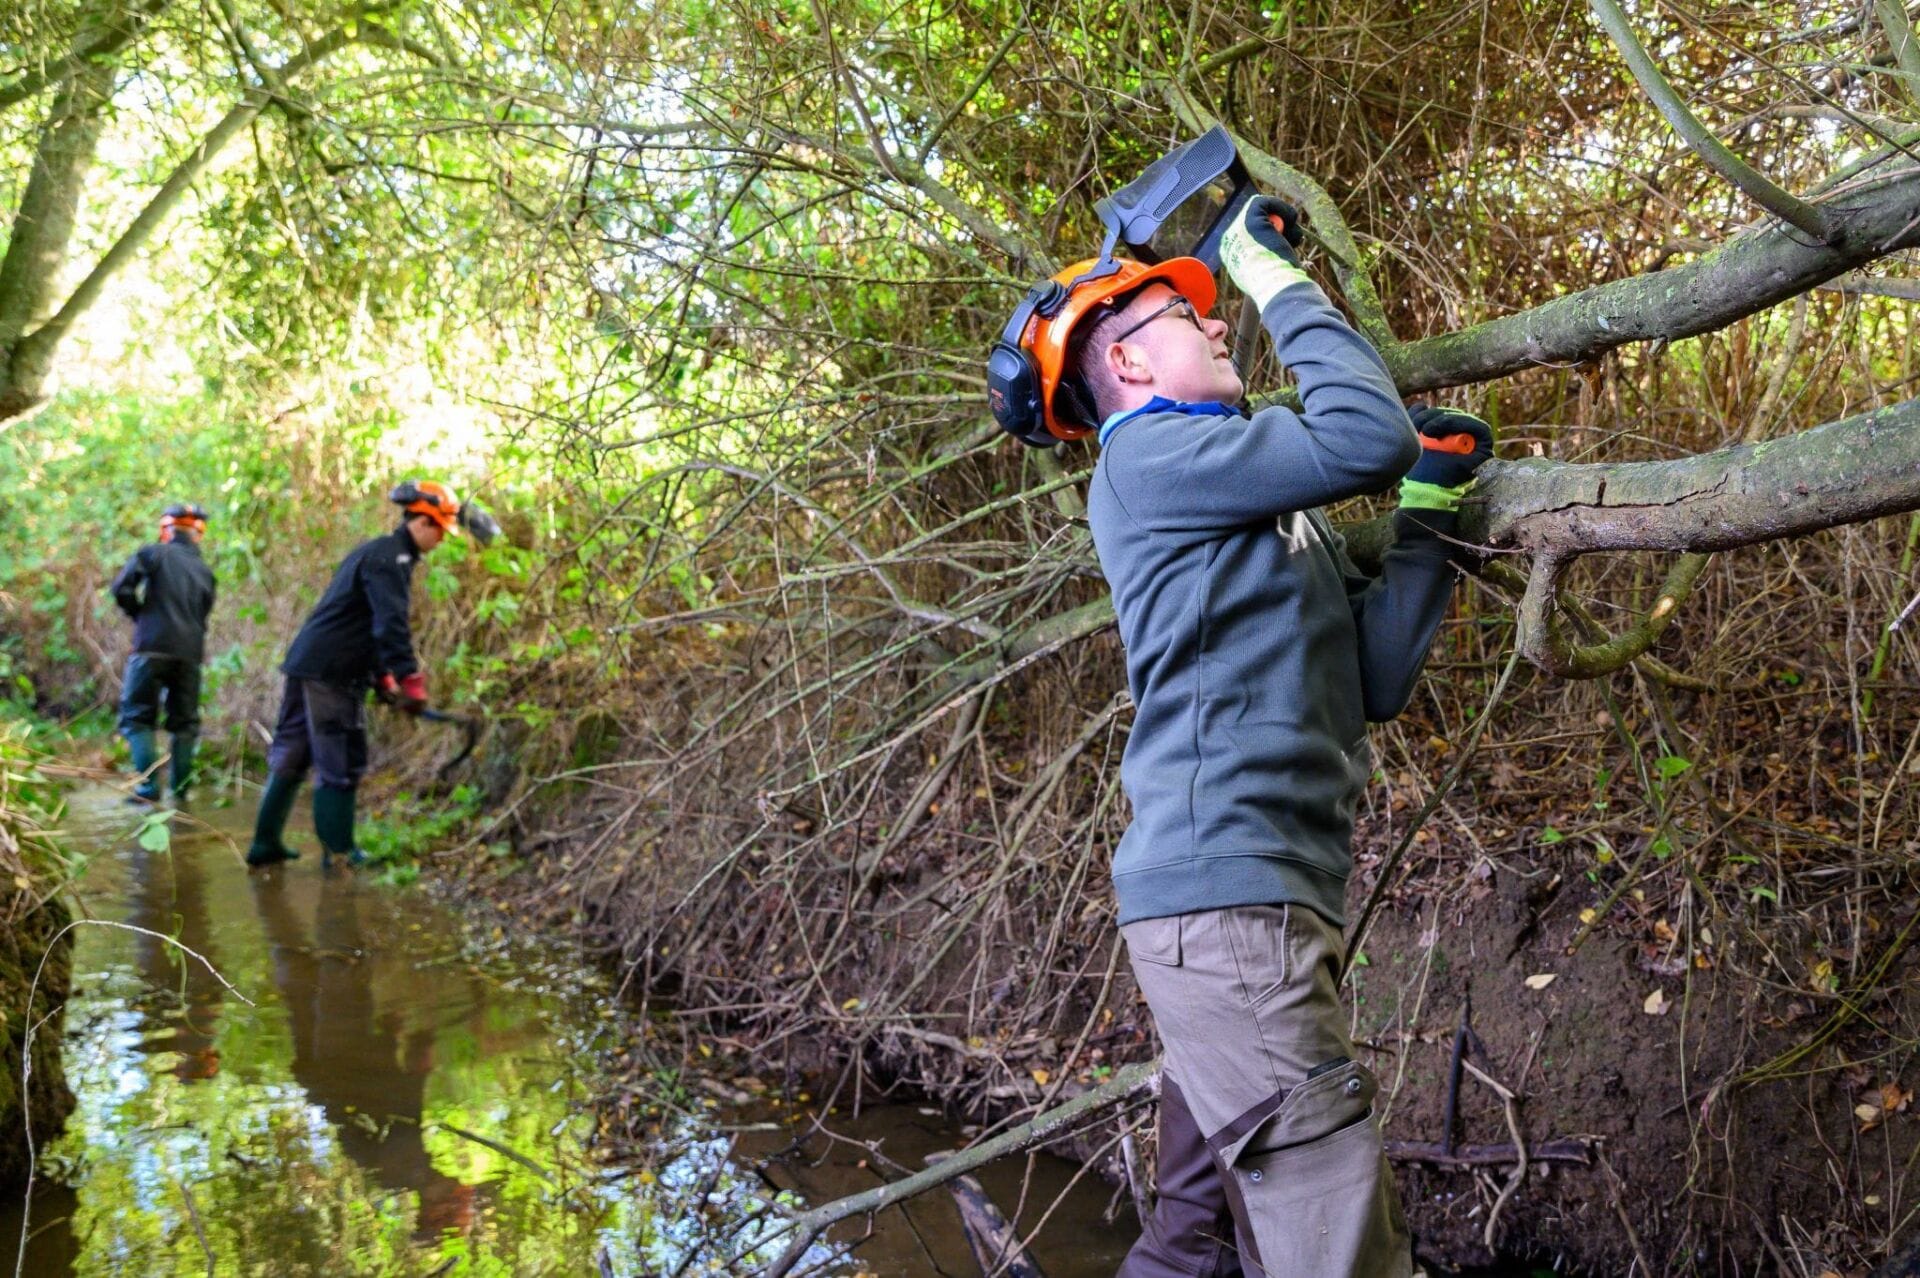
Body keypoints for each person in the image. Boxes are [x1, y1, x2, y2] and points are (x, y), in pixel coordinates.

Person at [991, 199, 1493, 1275]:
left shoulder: (1247, 498)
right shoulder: (1151, 461)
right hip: (1230, 912)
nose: (1222, 325)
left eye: (1222, 304)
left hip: (1249, 902)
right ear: (1124, 363)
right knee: (1336, 1237)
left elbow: (1368, 679)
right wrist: (1263, 266)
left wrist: (1426, 523)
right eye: (1192, 312)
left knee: (1197, 1233)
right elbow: (1363, 434)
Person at [246, 480, 482, 869]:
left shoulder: (380, 553)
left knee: (293, 754)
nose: (442, 539)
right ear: (422, 521)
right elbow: (389, 625)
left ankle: (265, 843)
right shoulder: (392, 559)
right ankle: (339, 855)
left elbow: (359, 620)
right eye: (440, 530)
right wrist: (410, 679)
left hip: (309, 663)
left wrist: (381, 678)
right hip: (333, 673)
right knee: (340, 760)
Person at [110, 503, 216, 804]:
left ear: (166, 530)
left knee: (137, 719)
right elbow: (204, 612)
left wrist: (140, 616)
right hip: (189, 653)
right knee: (185, 724)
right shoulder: (204, 571)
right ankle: (181, 793)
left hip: (151, 648)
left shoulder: (152, 554)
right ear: (198, 534)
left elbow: (122, 589)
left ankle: (148, 789)